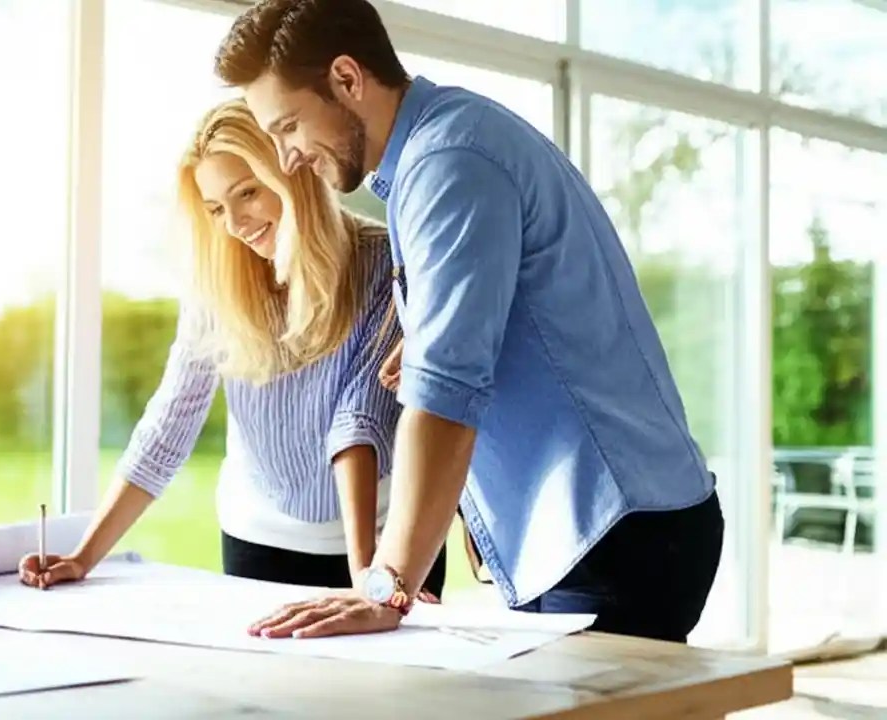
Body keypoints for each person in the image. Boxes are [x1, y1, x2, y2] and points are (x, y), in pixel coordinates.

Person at [213, 0, 725, 643]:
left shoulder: (448, 163)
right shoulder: (445, 144)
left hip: (614, 532)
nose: (287, 158)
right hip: (618, 525)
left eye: (288, 127)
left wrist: (386, 583)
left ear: (347, 79)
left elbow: (445, 390)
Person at [18, 98, 448, 599]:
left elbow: (360, 418)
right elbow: (170, 422)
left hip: (384, 541)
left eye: (247, 193)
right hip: (259, 536)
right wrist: (82, 556)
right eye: (217, 209)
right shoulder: (217, 283)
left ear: (293, 172)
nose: (236, 224)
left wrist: (365, 576)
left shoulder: (383, 261)